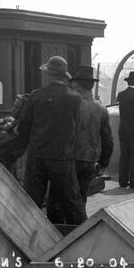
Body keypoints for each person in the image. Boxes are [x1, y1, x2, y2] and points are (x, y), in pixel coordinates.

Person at [13, 56, 86, 235]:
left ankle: (24, 237)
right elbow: (78, 128)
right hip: (63, 158)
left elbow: (23, 127)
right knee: (71, 201)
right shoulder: (75, 98)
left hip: (38, 156)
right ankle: (82, 238)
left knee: (31, 201)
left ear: (48, 75)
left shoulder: (36, 96)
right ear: (64, 75)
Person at [69, 66, 113, 207]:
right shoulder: (101, 108)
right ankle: (81, 225)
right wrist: (103, 163)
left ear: (78, 84)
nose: (72, 85)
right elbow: (108, 140)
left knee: (67, 199)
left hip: (71, 159)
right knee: (82, 197)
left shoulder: (72, 105)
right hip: (90, 161)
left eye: (74, 82)